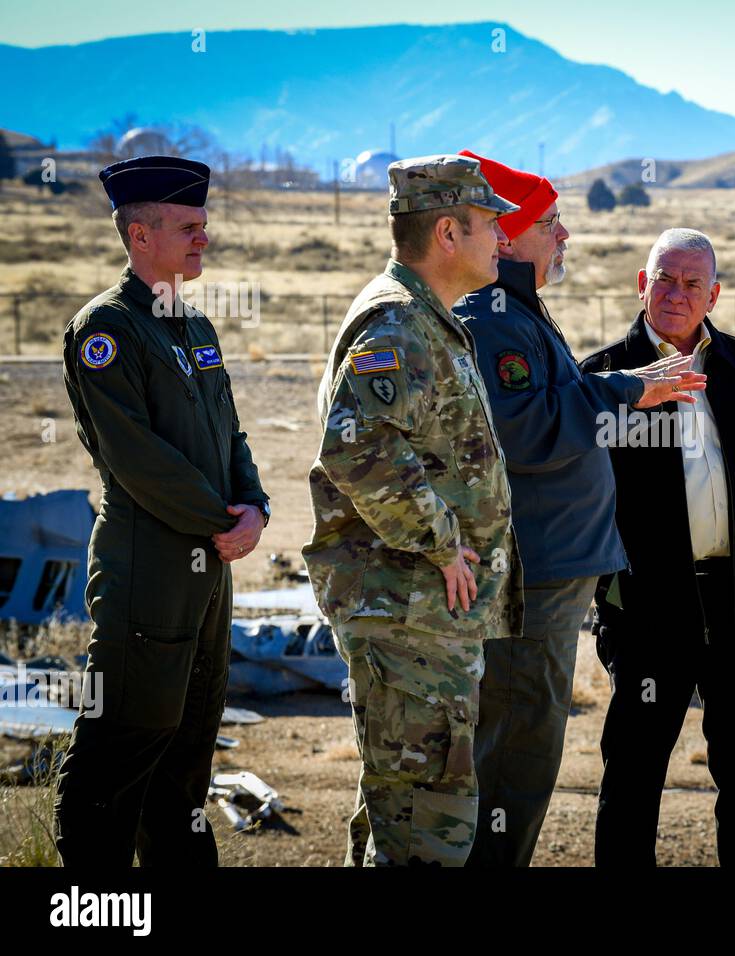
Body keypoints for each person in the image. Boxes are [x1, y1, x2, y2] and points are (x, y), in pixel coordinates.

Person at [454, 154, 706, 867]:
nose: (563, 234)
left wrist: (628, 389)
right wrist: (626, 391)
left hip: (551, 576)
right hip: (530, 582)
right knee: (514, 763)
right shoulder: (493, 316)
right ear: (505, 235)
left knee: (523, 755)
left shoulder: (519, 308)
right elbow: (527, 430)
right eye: (549, 222)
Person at [302, 154, 524, 867]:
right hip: (406, 610)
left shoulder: (428, 318)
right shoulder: (397, 323)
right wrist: (441, 542)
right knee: (427, 822)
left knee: (404, 808)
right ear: (449, 233)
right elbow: (356, 447)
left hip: (421, 614)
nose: (504, 240)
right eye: (491, 224)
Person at [579, 228, 735, 866]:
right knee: (632, 780)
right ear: (641, 283)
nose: (676, 294)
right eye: (664, 278)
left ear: (713, 294)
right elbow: (569, 496)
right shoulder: (603, 377)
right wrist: (608, 588)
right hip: (648, 612)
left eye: (692, 284)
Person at [54, 155, 270, 866]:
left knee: (184, 766)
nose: (203, 238)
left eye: (204, 226)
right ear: (139, 236)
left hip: (209, 570)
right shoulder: (106, 331)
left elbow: (229, 433)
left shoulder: (195, 326)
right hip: (149, 567)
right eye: (187, 227)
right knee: (117, 758)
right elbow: (138, 458)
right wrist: (223, 517)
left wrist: (256, 508)